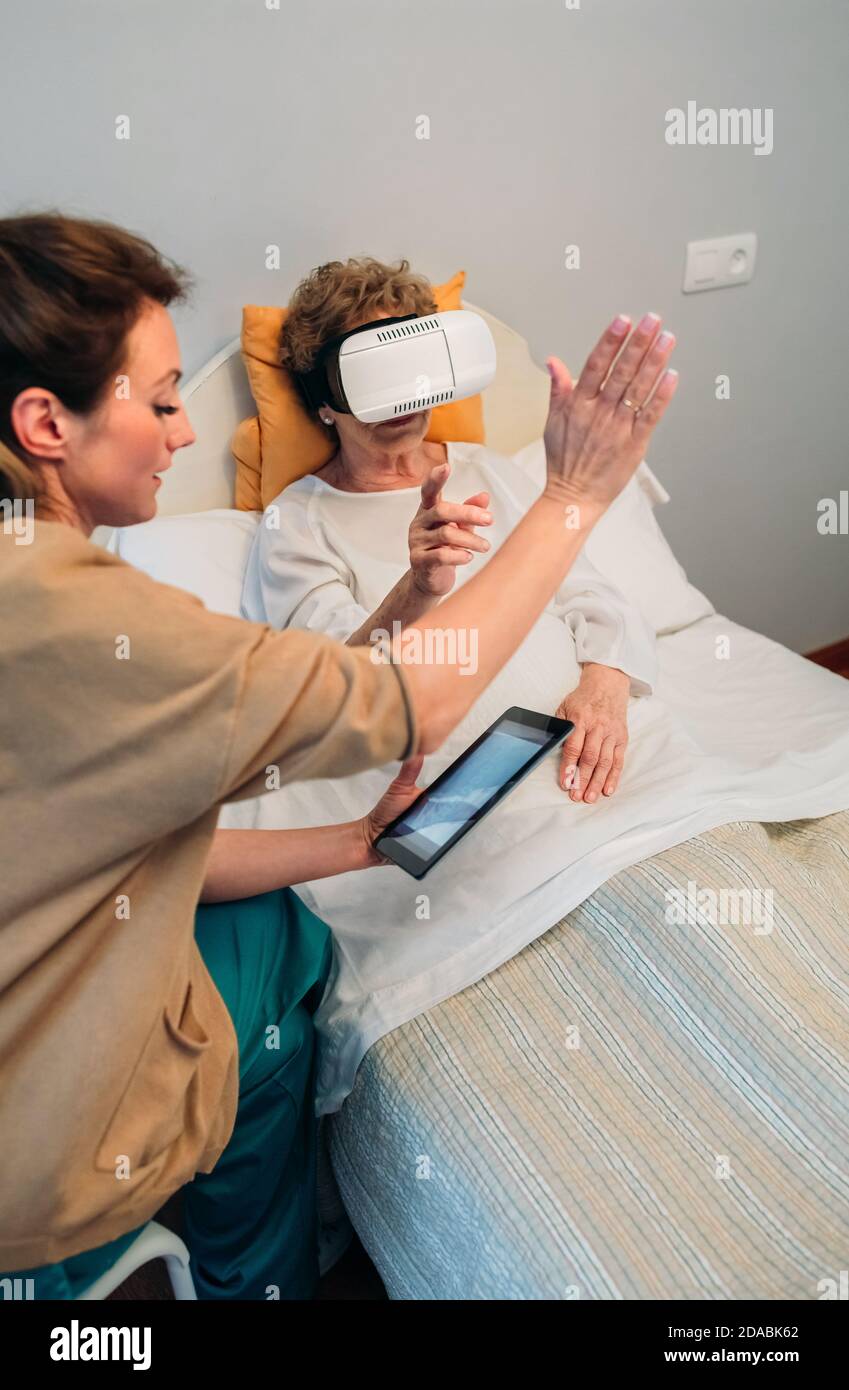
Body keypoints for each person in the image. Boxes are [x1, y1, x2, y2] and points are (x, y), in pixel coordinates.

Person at [0, 213, 677, 1299]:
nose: (186, 432)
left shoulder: (39, 575)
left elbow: (143, 838)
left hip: (529, 796)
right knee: (294, 956)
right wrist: (568, 496)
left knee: (282, 938)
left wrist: (364, 838)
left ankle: (248, 1261)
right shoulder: (108, 614)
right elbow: (390, 701)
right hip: (45, 1122)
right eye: (163, 400)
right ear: (45, 422)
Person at [244, 257, 669, 804]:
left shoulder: (485, 469)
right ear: (324, 401)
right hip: (467, 795)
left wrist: (604, 690)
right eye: (373, 373)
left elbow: (591, 595)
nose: (399, 393)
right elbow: (337, 686)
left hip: (600, 741)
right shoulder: (298, 520)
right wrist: (417, 587)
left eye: (410, 365)